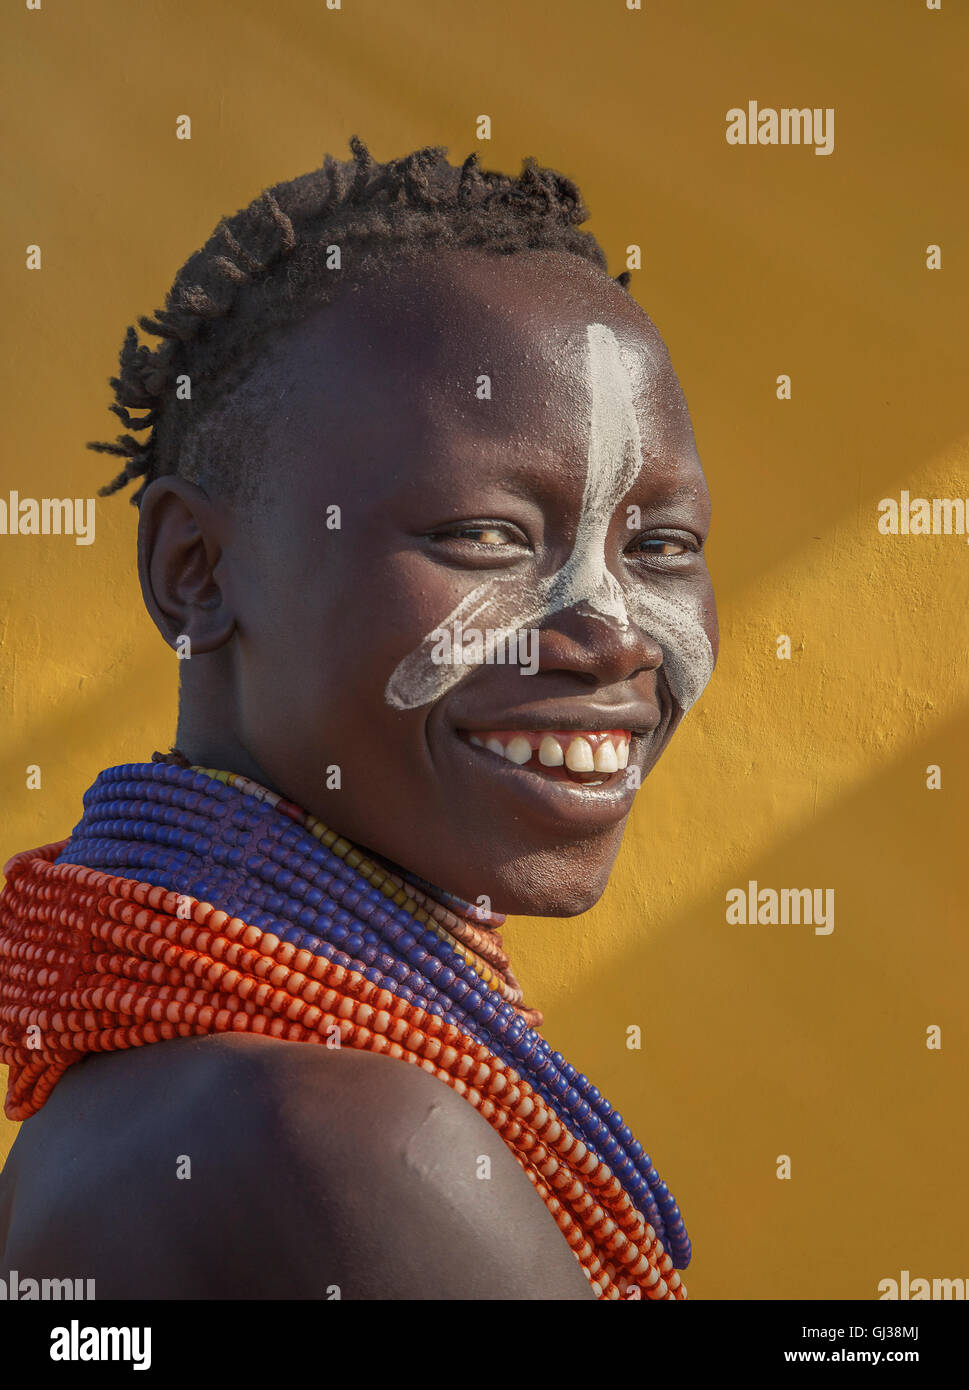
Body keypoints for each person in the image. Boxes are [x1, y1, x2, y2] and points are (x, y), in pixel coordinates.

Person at [0, 137, 718, 1300]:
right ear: (197, 569)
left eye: (663, 547)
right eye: (485, 536)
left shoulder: (160, 1103)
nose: (615, 636)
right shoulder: (350, 1142)